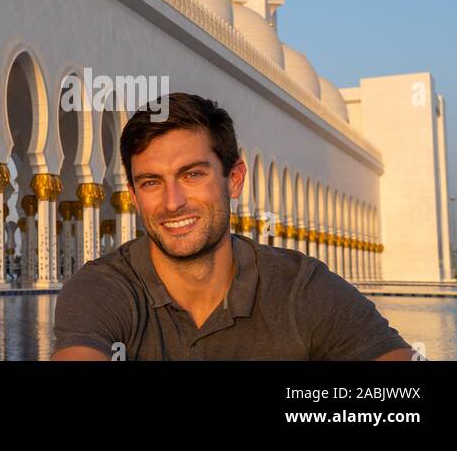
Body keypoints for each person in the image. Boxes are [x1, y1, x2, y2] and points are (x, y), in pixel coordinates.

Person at [52, 92, 412, 361]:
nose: (172, 201)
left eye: (192, 175)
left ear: (234, 179)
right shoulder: (104, 289)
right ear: (132, 195)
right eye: (151, 182)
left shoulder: (297, 288)